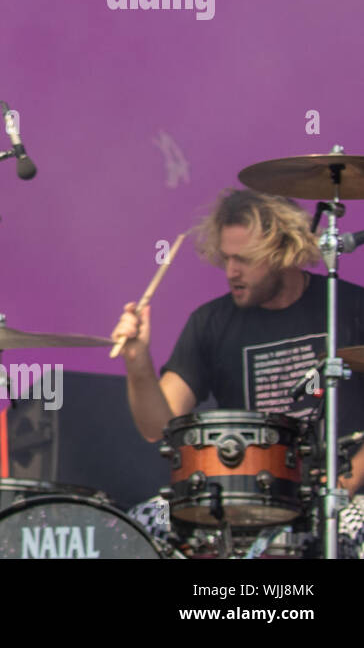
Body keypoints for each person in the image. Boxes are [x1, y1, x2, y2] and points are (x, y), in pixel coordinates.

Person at [111, 187, 364, 556]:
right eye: (227, 258)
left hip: (335, 492)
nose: (231, 272)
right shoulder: (210, 323)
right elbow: (157, 427)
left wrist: (350, 476)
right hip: (235, 497)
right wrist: (137, 361)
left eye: (245, 260)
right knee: (138, 526)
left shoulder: (350, 307)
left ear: (283, 252)